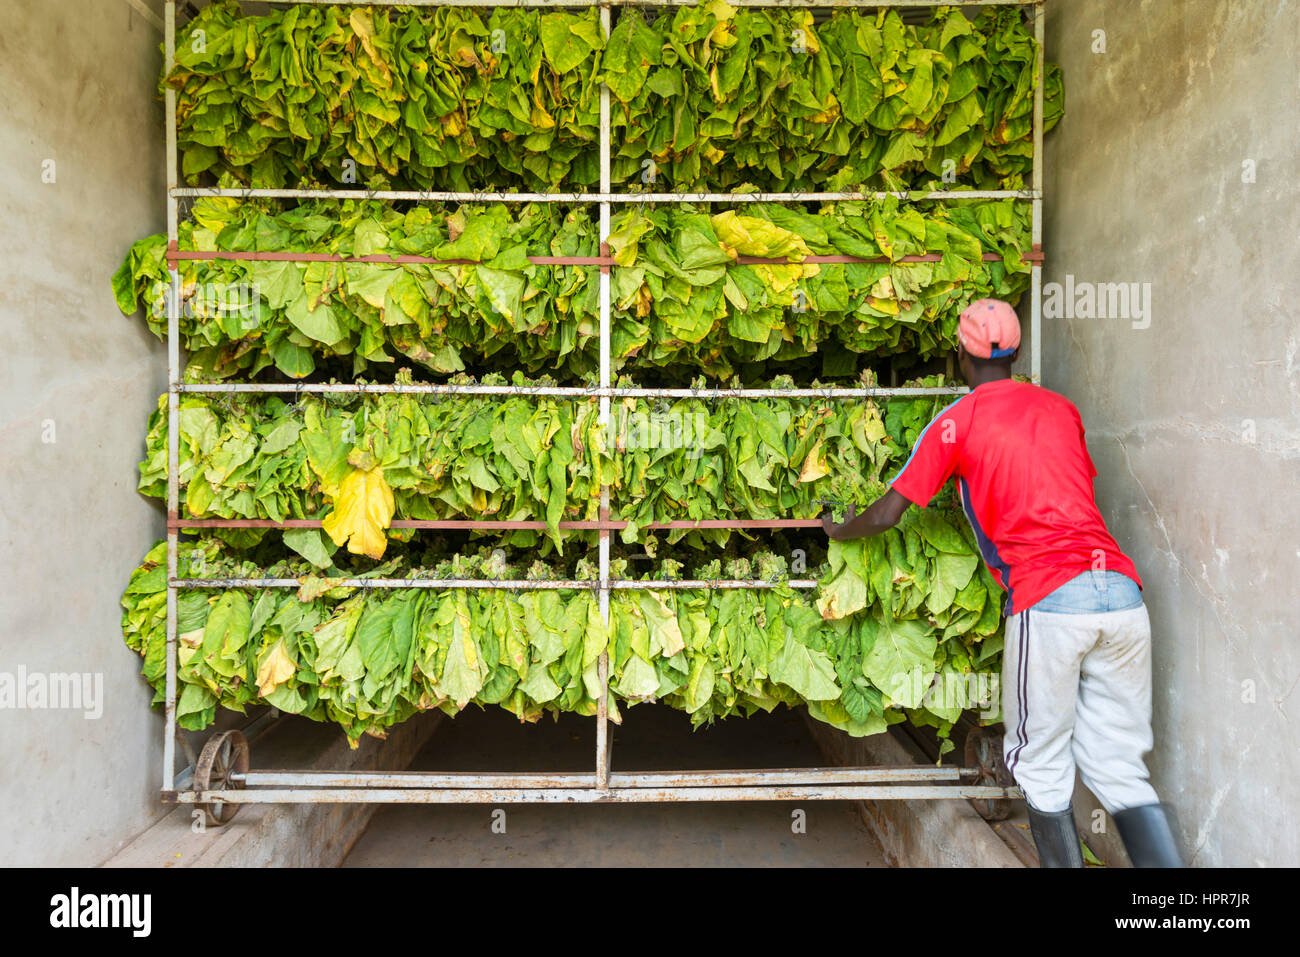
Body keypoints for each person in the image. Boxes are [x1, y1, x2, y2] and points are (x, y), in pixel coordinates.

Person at [821, 298, 1183, 869]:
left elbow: (889, 513)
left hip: (1050, 601)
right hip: (1120, 593)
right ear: (1014, 352)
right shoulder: (1061, 409)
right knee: (1118, 766)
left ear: (960, 355)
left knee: (1038, 762)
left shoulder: (957, 421)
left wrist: (838, 528)